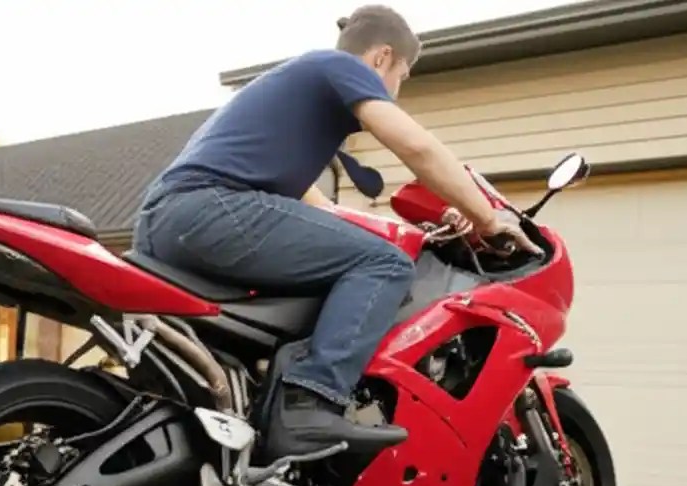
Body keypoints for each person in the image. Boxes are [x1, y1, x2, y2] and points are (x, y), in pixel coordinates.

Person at [133, 5, 540, 460]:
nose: (396, 91)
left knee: (362, 259)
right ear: (382, 57)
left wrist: (418, 231)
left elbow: (324, 213)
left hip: (169, 221)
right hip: (208, 208)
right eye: (402, 76)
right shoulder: (341, 67)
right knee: (385, 264)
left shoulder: (290, 105)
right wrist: (489, 221)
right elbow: (417, 147)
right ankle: (310, 401)